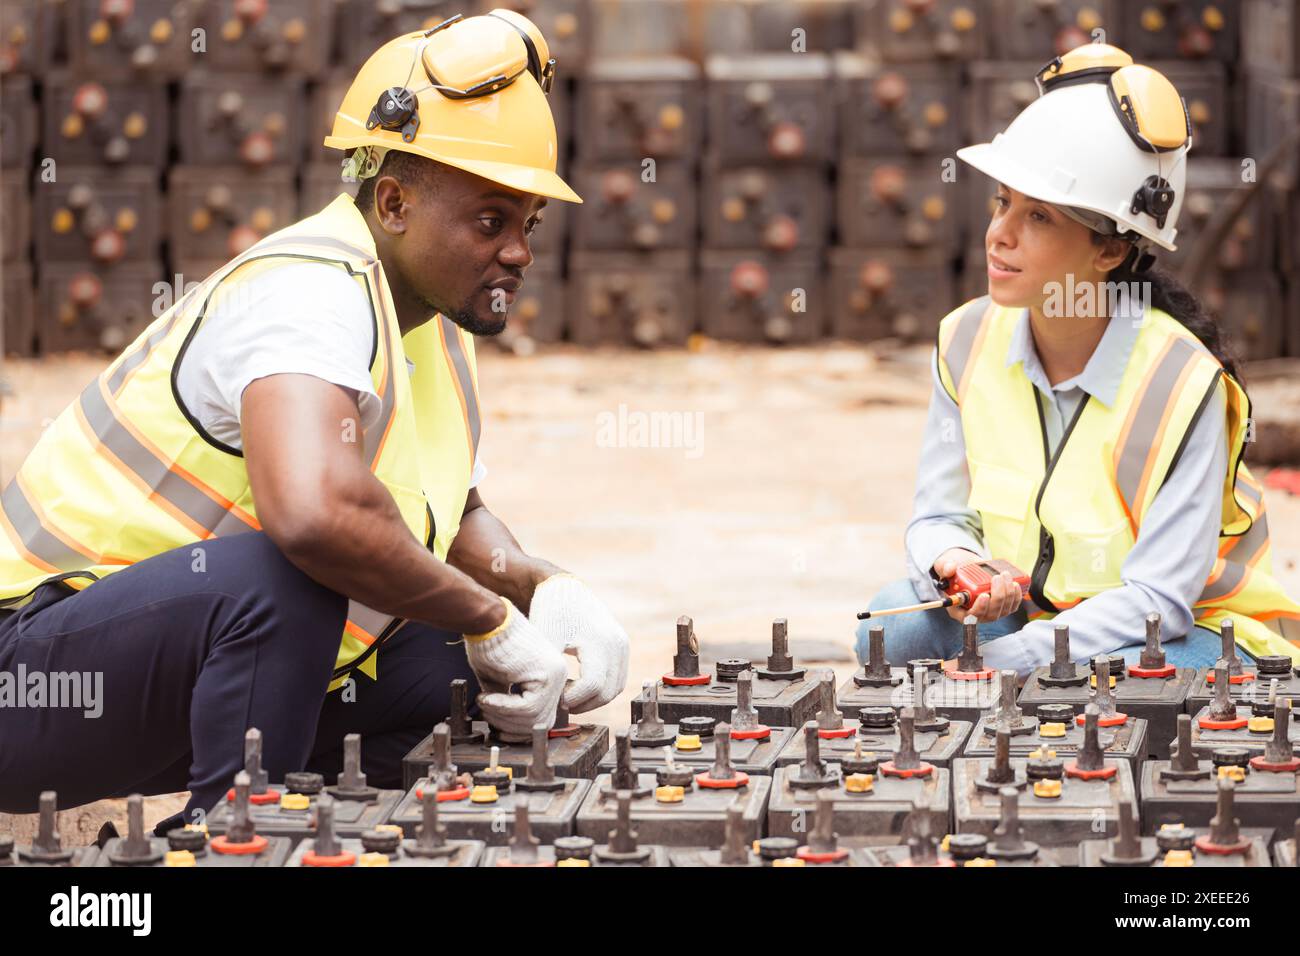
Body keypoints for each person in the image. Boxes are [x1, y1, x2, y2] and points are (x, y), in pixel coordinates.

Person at [0, 11, 629, 830]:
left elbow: (453, 517)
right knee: (292, 576)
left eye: (528, 225)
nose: (520, 252)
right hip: (33, 681)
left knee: (450, 662)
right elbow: (313, 514)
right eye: (490, 221)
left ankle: (332, 831)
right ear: (395, 201)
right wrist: (488, 615)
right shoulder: (306, 290)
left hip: (161, 685)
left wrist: (539, 589)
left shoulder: (432, 325)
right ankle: (235, 839)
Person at [855, 42, 1300, 676]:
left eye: (1038, 216)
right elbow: (938, 513)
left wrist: (1008, 660)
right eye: (1001, 202)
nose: (999, 234)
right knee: (893, 630)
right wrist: (957, 561)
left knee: (1120, 682)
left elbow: (1158, 603)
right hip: (1039, 613)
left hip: (1187, 632)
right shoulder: (966, 340)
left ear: (1111, 253)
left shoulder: (1182, 383)